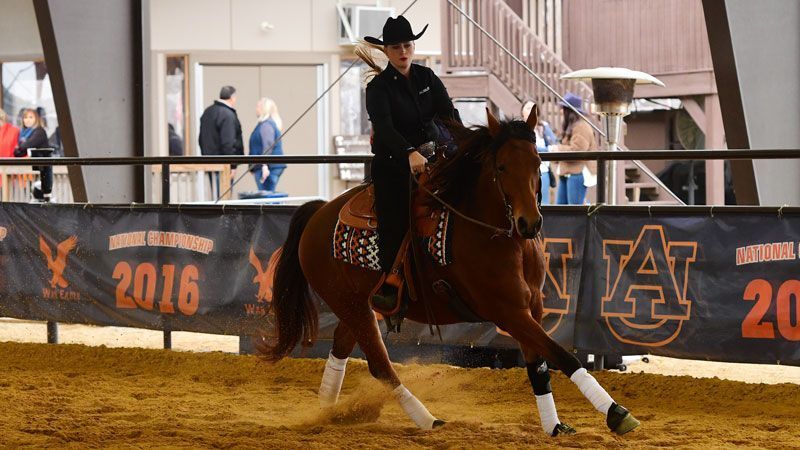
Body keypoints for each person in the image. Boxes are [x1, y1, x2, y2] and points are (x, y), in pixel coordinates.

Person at [359, 15, 462, 311]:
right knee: (395, 215)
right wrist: (408, 152)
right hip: (392, 163)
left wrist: (465, 144)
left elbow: (448, 115)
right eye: (395, 47)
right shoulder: (378, 88)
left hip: (433, 156)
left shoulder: (427, 77)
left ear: (413, 47)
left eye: (407, 45)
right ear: (387, 52)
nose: (403, 51)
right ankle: (391, 281)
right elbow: (385, 127)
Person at [550, 93, 597, 205]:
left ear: (570, 111)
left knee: (574, 210)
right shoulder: (572, 126)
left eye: (564, 109)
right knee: (562, 210)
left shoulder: (582, 127)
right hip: (567, 171)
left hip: (578, 172)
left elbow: (578, 150)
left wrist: (558, 149)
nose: (561, 112)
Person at [199, 86, 243, 196]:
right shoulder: (227, 114)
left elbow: (201, 139)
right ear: (232, 97)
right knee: (224, 196)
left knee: (215, 194)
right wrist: (232, 166)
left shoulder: (207, 112)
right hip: (223, 164)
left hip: (209, 162)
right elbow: (228, 143)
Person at [521, 99, 557, 204]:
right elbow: (529, 148)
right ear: (522, 111)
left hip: (542, 171)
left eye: (534, 108)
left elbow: (554, 144)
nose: (532, 110)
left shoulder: (543, 126)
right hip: (524, 172)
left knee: (543, 204)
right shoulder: (519, 129)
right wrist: (547, 149)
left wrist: (550, 148)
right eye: (528, 108)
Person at [248, 97, 287, 191]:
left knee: (267, 197)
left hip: (267, 168)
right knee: (268, 195)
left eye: (258, 106)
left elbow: (268, 145)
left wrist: (264, 166)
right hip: (267, 166)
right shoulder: (267, 124)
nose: (256, 109)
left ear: (263, 109)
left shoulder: (266, 125)